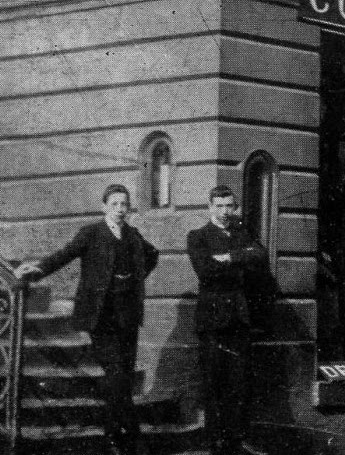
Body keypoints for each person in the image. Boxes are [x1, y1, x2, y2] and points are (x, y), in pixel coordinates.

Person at [15, 184, 159, 455]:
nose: (120, 209)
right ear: (104, 206)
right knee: (116, 374)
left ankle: (116, 434)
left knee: (123, 377)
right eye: (114, 204)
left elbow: (152, 255)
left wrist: (133, 279)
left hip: (127, 316)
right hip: (100, 316)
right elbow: (64, 255)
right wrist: (38, 269)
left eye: (124, 204)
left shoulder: (132, 235)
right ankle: (130, 436)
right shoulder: (91, 233)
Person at [187, 185, 273, 455]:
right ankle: (216, 440)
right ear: (210, 207)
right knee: (213, 380)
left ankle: (239, 438)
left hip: (238, 316)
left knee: (240, 381)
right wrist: (240, 262)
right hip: (212, 319)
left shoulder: (242, 233)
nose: (225, 212)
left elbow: (261, 256)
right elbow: (205, 270)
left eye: (229, 206)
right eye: (219, 206)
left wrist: (230, 257)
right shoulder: (198, 236)